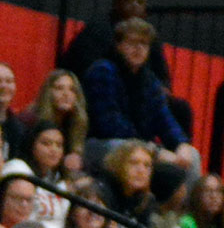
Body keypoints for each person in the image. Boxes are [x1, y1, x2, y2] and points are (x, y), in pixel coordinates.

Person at [82, 18, 199, 170]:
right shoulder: (103, 70)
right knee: (125, 148)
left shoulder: (150, 80)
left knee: (192, 155)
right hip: (101, 144)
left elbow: (164, 119)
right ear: (118, 45)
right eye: (132, 43)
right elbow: (109, 125)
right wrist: (152, 150)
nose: (138, 48)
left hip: (140, 145)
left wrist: (181, 143)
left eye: (143, 44)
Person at [24, 70, 88, 174]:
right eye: (59, 88)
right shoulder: (31, 121)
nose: (66, 94)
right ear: (48, 93)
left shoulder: (75, 122)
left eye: (72, 90)